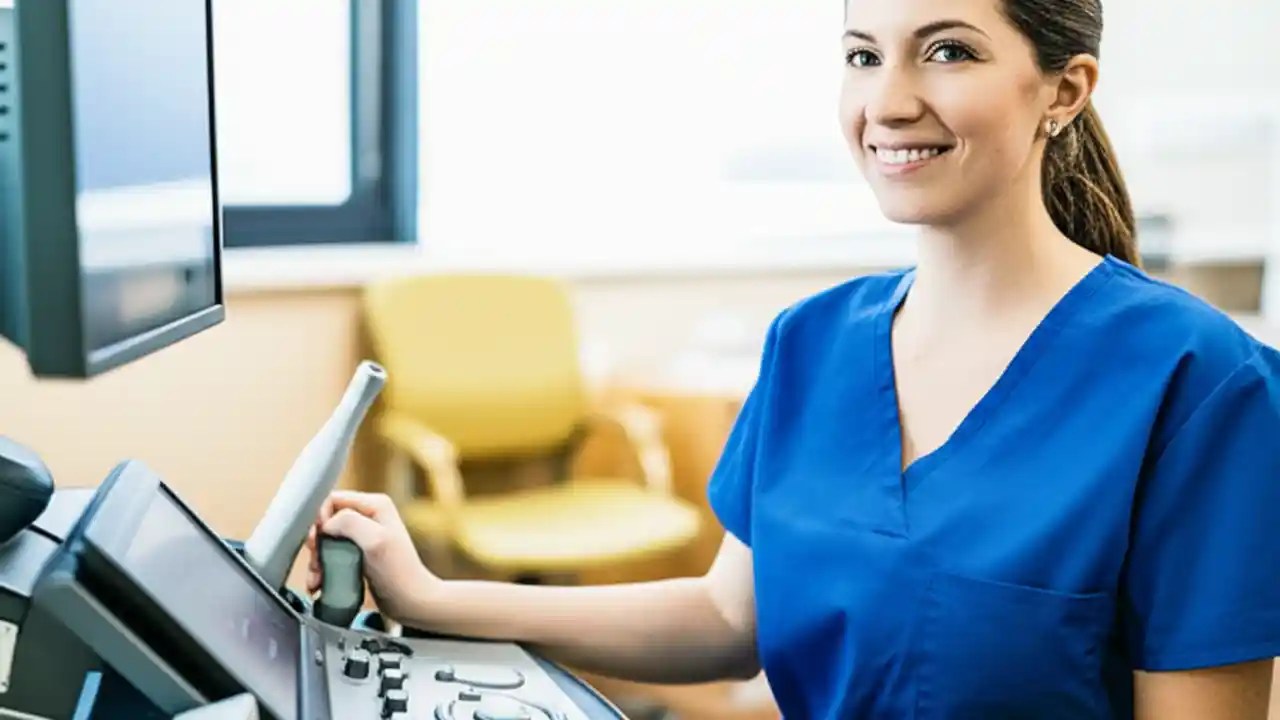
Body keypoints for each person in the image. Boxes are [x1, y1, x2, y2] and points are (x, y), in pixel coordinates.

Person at [306, 0, 1280, 716]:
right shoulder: (810, 344)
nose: (888, 101)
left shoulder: (1197, 383)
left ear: (1062, 90)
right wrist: (431, 596)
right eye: (862, 56)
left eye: (946, 51)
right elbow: (726, 619)